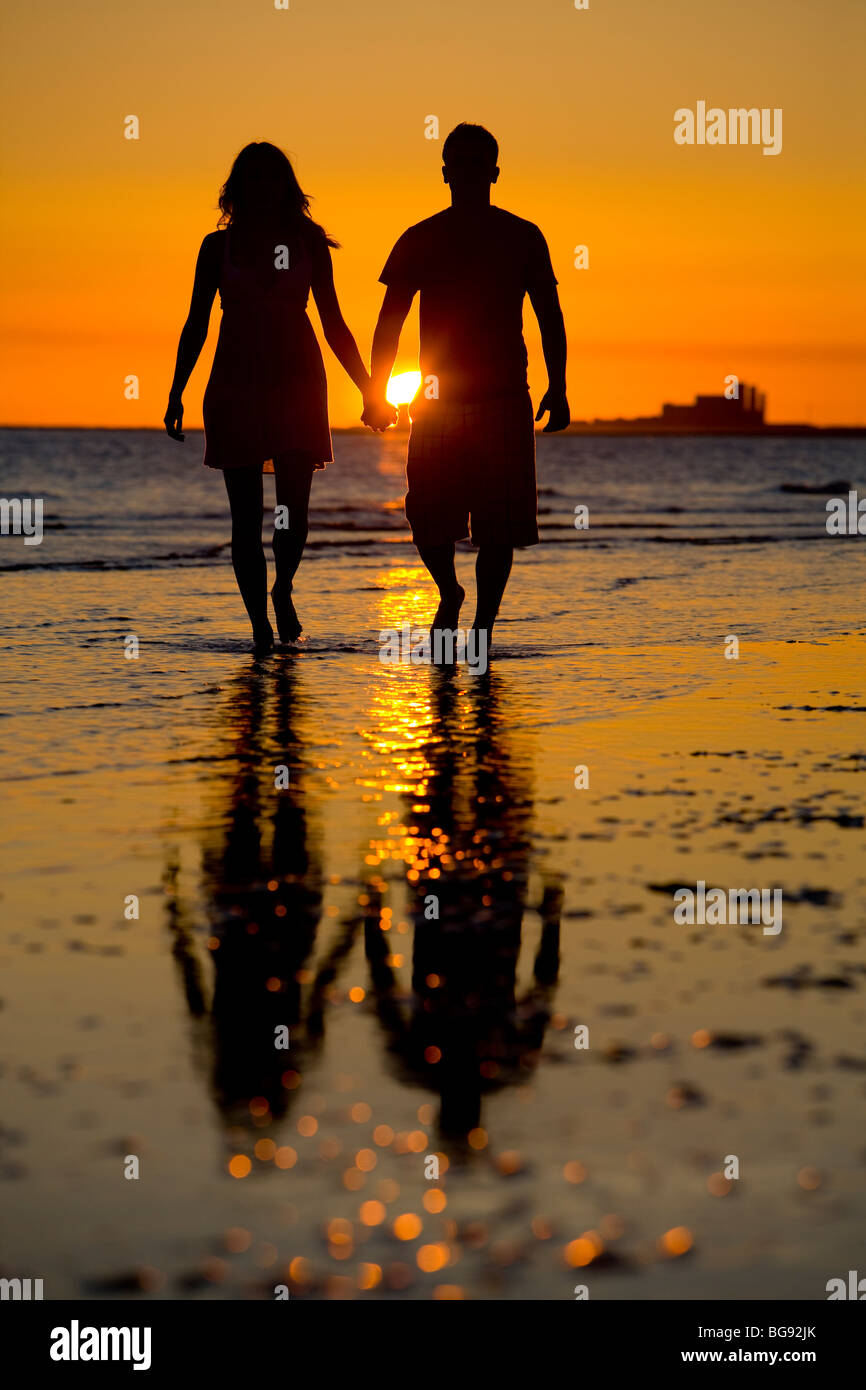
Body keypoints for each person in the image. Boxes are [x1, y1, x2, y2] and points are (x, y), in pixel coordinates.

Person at [164, 141, 391, 654]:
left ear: (285, 187)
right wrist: (176, 389)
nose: (263, 187)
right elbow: (196, 322)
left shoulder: (308, 242)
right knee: (244, 519)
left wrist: (369, 390)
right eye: (254, 178)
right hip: (235, 386)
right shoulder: (215, 248)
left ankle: (283, 587)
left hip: (298, 385)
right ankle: (259, 627)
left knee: (294, 511)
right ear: (238, 188)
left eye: (273, 178)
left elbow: (333, 321)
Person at [365, 123, 569, 656]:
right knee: (428, 517)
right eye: (462, 163)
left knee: (499, 527)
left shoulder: (523, 236)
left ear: (495, 173)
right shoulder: (421, 237)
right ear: (445, 172)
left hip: (503, 398)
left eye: (482, 163)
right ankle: (448, 592)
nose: (472, 172)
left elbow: (550, 315)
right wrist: (375, 389)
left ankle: (482, 627)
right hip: (434, 402)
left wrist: (560, 385)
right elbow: (390, 319)